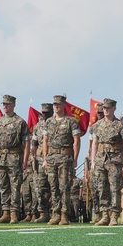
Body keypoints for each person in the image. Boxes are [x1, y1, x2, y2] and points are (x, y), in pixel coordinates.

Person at [88, 98, 123, 226]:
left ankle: (114, 215)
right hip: (100, 159)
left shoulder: (120, 126)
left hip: (115, 160)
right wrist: (93, 160)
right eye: (104, 108)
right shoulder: (97, 125)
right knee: (102, 188)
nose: (105, 110)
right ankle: (104, 214)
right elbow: (94, 143)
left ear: (114, 109)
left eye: (108, 108)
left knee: (115, 188)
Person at [42, 95, 81, 226]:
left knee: (64, 187)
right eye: (54, 104)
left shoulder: (71, 122)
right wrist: (45, 159)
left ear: (64, 105)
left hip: (65, 158)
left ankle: (64, 214)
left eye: (58, 104)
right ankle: (56, 213)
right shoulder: (48, 122)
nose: (56, 106)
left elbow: (76, 141)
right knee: (53, 187)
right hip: (52, 158)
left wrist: (75, 159)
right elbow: (45, 141)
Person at [0, 95, 31, 224]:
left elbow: (26, 143)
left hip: (14, 157)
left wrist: (25, 160)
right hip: (1, 157)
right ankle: (5, 212)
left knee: (15, 186)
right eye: (4, 104)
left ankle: (14, 213)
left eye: (8, 104)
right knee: (3, 186)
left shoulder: (20, 122)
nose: (5, 106)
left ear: (14, 105)